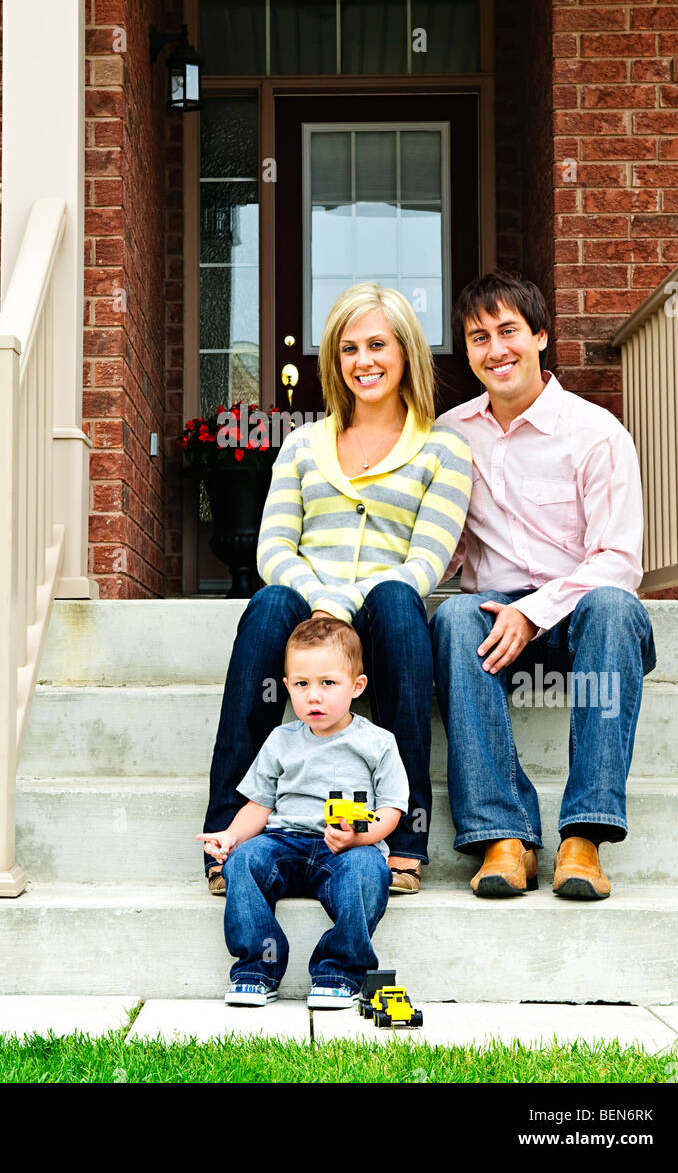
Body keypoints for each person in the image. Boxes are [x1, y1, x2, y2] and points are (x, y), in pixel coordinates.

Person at [201, 282, 472, 896]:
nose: (363, 361)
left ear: (405, 352)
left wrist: (349, 601)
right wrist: (320, 597)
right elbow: (274, 547)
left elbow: (427, 560)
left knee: (402, 604)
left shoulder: (444, 449)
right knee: (270, 602)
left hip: (383, 619)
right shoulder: (302, 444)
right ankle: (228, 832)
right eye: (349, 348)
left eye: (378, 344)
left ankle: (402, 842)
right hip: (307, 618)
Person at [431, 270, 657, 901]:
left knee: (615, 606)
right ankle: (504, 838)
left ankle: (583, 838)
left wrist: (534, 611)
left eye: (509, 331)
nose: (495, 349)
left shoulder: (596, 433)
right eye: (479, 337)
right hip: (495, 627)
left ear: (540, 338)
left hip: (583, 620)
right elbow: (442, 545)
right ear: (469, 351)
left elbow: (618, 559)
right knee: (451, 619)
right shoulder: (450, 436)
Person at [197, 617, 409, 1007]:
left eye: (328, 683)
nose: (314, 696)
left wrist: (360, 837)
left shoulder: (377, 743)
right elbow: (259, 805)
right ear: (287, 687)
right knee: (243, 861)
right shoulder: (281, 740)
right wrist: (229, 836)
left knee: (368, 871)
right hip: (283, 842)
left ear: (356, 686)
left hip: (347, 849)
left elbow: (392, 810)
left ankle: (338, 972)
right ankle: (257, 969)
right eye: (301, 684)